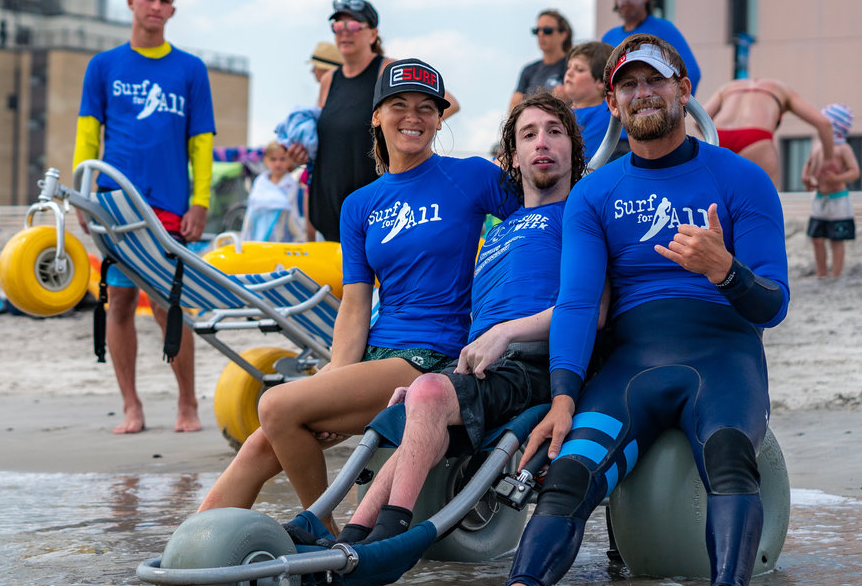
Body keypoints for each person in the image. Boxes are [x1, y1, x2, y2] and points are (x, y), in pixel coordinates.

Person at [457, 35, 789, 586]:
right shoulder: (595, 194)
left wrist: (724, 270)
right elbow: (578, 304)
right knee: (571, 471)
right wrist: (563, 399)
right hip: (633, 365)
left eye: (655, 80)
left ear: (683, 90)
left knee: (728, 455)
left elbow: (774, 305)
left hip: (723, 357)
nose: (643, 93)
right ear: (612, 103)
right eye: (629, 84)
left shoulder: (742, 180)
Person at [199, 59, 515, 520]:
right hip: (375, 354)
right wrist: (337, 377)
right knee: (261, 443)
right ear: (377, 116)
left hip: (433, 357)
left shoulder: (471, 176)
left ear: (439, 119)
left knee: (276, 405)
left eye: (427, 108)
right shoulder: (360, 204)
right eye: (400, 105)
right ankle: (190, 548)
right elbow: (354, 303)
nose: (413, 117)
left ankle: (320, 533)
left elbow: (540, 221)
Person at [337, 93, 589, 544]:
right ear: (513, 157)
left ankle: (391, 535)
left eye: (555, 132)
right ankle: (354, 534)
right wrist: (441, 382)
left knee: (428, 392)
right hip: (484, 371)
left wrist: (503, 335)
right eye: (528, 135)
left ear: (573, 148)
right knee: (419, 400)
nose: (542, 142)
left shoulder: (580, 215)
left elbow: (590, 307)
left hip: (537, 363)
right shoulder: (500, 230)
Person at [75, 0, 214, 434]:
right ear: (131, 3)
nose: (156, 6)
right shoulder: (103, 66)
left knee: (166, 303)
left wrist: (200, 201)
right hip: (114, 203)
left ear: (172, 10)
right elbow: (87, 135)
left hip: (169, 203)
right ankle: (131, 406)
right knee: (118, 301)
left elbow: (201, 142)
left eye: (164, 0)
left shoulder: (190, 69)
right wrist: (82, 192)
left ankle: (187, 404)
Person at [286, 0, 457, 242]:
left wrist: (407, 132)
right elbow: (328, 139)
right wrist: (301, 153)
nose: (345, 32)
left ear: (373, 34)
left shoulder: (387, 70)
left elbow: (448, 102)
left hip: (378, 212)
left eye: (354, 25)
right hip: (329, 208)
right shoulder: (329, 80)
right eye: (338, 26)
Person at [703, 76, 837, 189]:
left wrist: (715, 138)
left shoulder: (728, 87)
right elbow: (824, 124)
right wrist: (828, 160)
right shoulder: (782, 89)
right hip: (754, 137)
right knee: (765, 198)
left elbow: (700, 120)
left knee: (717, 195)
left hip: (718, 136)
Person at [601, 0, 701, 96]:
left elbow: (692, 72)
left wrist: (675, 103)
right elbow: (601, 83)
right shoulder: (608, 37)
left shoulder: (664, 29)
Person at [802, 103, 861, 279]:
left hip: (838, 199)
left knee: (837, 239)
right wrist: (806, 177)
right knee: (817, 238)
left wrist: (837, 178)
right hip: (820, 197)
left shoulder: (843, 149)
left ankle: (836, 273)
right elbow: (809, 163)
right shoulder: (817, 145)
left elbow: (855, 172)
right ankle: (821, 272)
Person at [556, 40, 614, 158]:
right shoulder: (559, 111)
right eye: (569, 67)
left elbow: (585, 158)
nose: (569, 73)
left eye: (579, 69)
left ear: (601, 82)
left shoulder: (605, 113)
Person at [509, 9, 572, 113]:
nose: (541, 34)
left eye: (547, 30)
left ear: (563, 35)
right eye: (537, 30)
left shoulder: (573, 67)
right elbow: (514, 107)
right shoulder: (528, 70)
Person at [241, 141, 303, 242]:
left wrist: (299, 238)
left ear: (289, 160)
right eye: (273, 159)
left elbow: (294, 214)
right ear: (266, 160)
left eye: (282, 159)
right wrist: (245, 238)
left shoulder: (291, 185)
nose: (278, 163)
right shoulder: (260, 182)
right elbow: (251, 212)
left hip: (282, 239)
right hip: (258, 239)